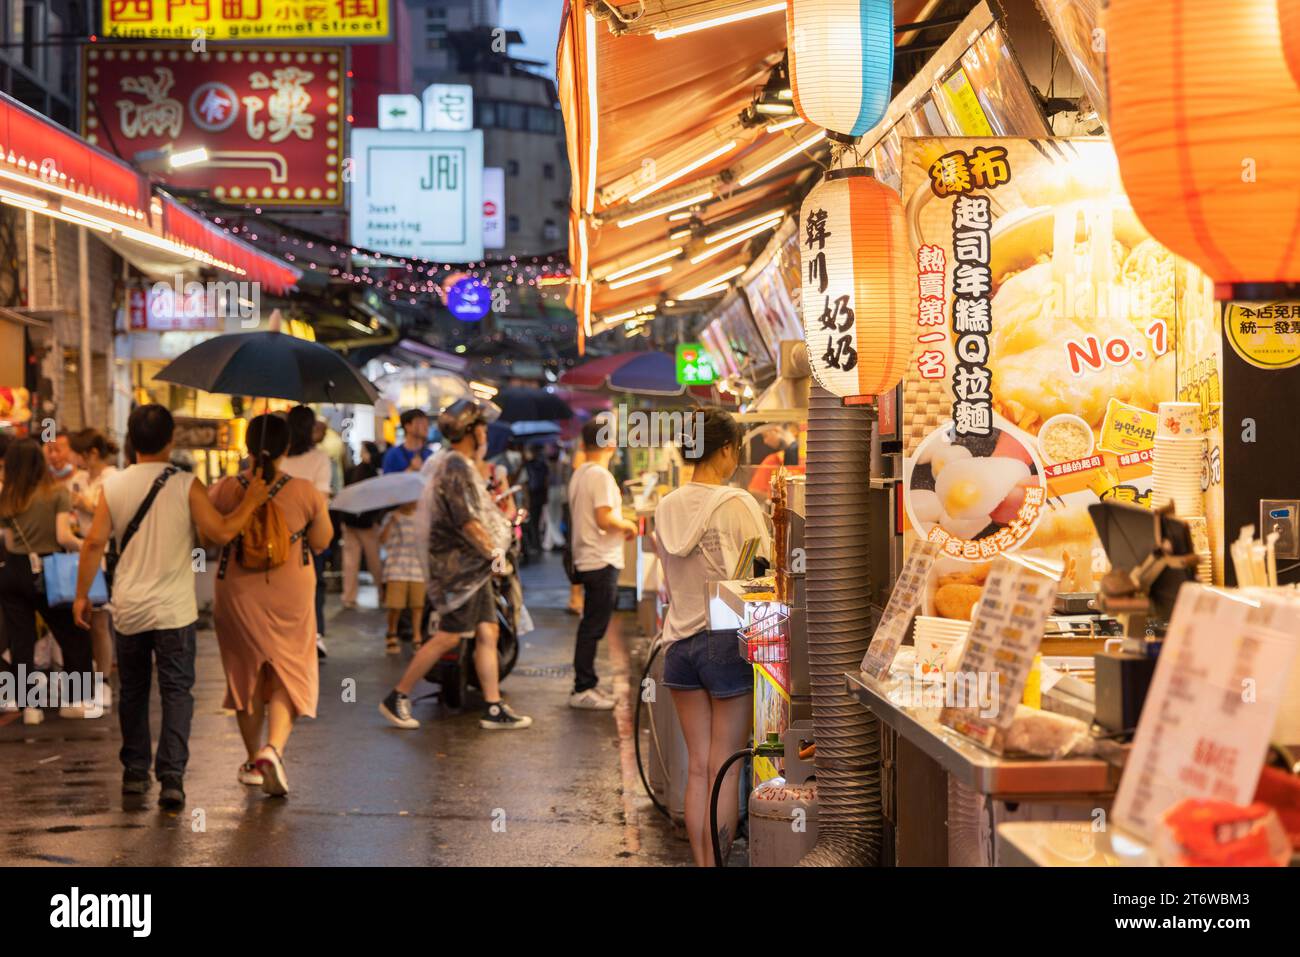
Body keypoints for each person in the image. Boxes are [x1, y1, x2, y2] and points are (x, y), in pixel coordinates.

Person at [74, 405, 268, 808]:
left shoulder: (115, 486)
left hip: (129, 608)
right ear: (170, 439)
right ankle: (172, 778)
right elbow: (218, 533)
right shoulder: (186, 485)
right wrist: (250, 502)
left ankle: (133, 772)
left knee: (134, 691)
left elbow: (93, 543)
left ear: (132, 438)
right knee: (177, 692)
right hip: (175, 611)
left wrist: (81, 595)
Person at [654, 408, 770, 866]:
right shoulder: (734, 502)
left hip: (677, 644)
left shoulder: (666, 504)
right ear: (726, 449)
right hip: (725, 640)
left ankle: (704, 863)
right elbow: (761, 572)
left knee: (700, 764)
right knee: (727, 763)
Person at [379, 399, 532, 731]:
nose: (485, 433)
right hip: (458, 569)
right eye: (482, 427)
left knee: (488, 631)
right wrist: (495, 553)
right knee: (450, 635)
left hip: (471, 572)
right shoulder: (456, 467)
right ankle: (398, 695)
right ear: (471, 431)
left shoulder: (456, 463)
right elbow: (468, 522)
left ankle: (492, 706)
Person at [207, 414, 332, 797]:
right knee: (288, 668)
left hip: (237, 591)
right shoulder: (306, 491)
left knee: (246, 672)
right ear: (287, 448)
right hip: (291, 590)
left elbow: (207, 537)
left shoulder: (224, 489)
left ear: (246, 446)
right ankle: (272, 750)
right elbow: (323, 541)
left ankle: (252, 761)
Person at [0, 438, 92, 726]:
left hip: (13, 571)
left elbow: (10, 540)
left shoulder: (7, 498)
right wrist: (87, 546)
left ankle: (30, 708)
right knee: (72, 634)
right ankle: (75, 702)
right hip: (51, 570)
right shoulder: (56, 493)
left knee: (21, 641)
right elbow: (64, 536)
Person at [567, 418, 637, 711]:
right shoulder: (601, 476)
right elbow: (603, 519)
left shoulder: (581, 472)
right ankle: (583, 687)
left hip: (587, 557)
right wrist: (629, 525)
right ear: (610, 444)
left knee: (590, 625)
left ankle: (587, 685)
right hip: (600, 558)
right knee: (593, 627)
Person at [67, 428, 119, 711]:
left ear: (93, 453)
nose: (76, 459)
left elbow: (107, 512)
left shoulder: (113, 478)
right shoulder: (78, 478)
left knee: (100, 621)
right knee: (82, 620)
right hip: (80, 552)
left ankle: (104, 680)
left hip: (103, 554)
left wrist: (82, 503)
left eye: (79, 453)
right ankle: (87, 680)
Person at [281, 405, 333, 659]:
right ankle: (315, 634)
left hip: (277, 533)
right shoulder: (319, 459)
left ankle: (286, 635)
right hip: (308, 533)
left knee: (281, 584)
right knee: (314, 584)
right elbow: (321, 500)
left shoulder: (278, 457)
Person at [340, 440, 384, 609]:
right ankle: (380, 593)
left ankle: (350, 596)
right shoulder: (370, 473)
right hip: (362, 522)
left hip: (356, 521)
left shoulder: (362, 471)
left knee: (354, 561)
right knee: (370, 560)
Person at [379, 501, 425, 654]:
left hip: (417, 568)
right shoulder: (392, 517)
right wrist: (392, 522)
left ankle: (417, 637)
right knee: (395, 605)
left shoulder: (422, 518)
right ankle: (391, 633)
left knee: (417, 605)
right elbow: (382, 540)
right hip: (397, 567)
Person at [382, 408, 432, 473]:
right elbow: (387, 481)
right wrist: (410, 469)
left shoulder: (430, 455)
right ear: (407, 426)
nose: (426, 426)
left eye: (426, 423)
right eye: (420, 422)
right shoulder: (393, 455)